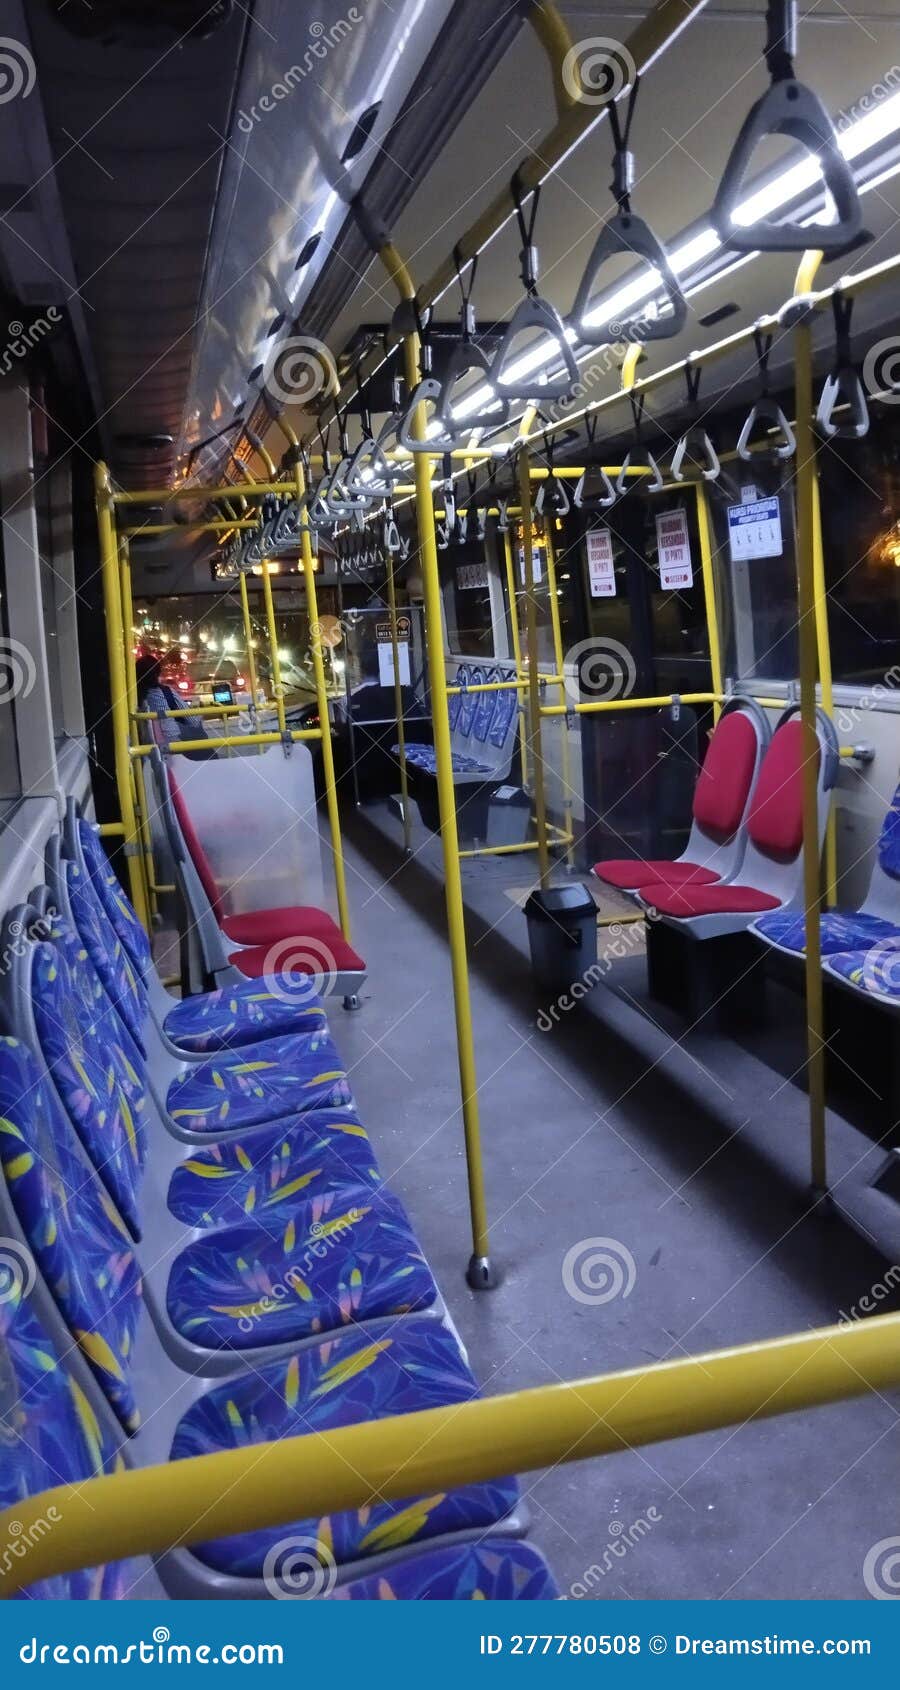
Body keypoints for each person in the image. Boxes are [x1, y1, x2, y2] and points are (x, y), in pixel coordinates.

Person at [135, 652, 217, 760]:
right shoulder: (166, 693)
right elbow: (193, 720)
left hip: (150, 749)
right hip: (174, 746)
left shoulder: (136, 698)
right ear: (158, 673)